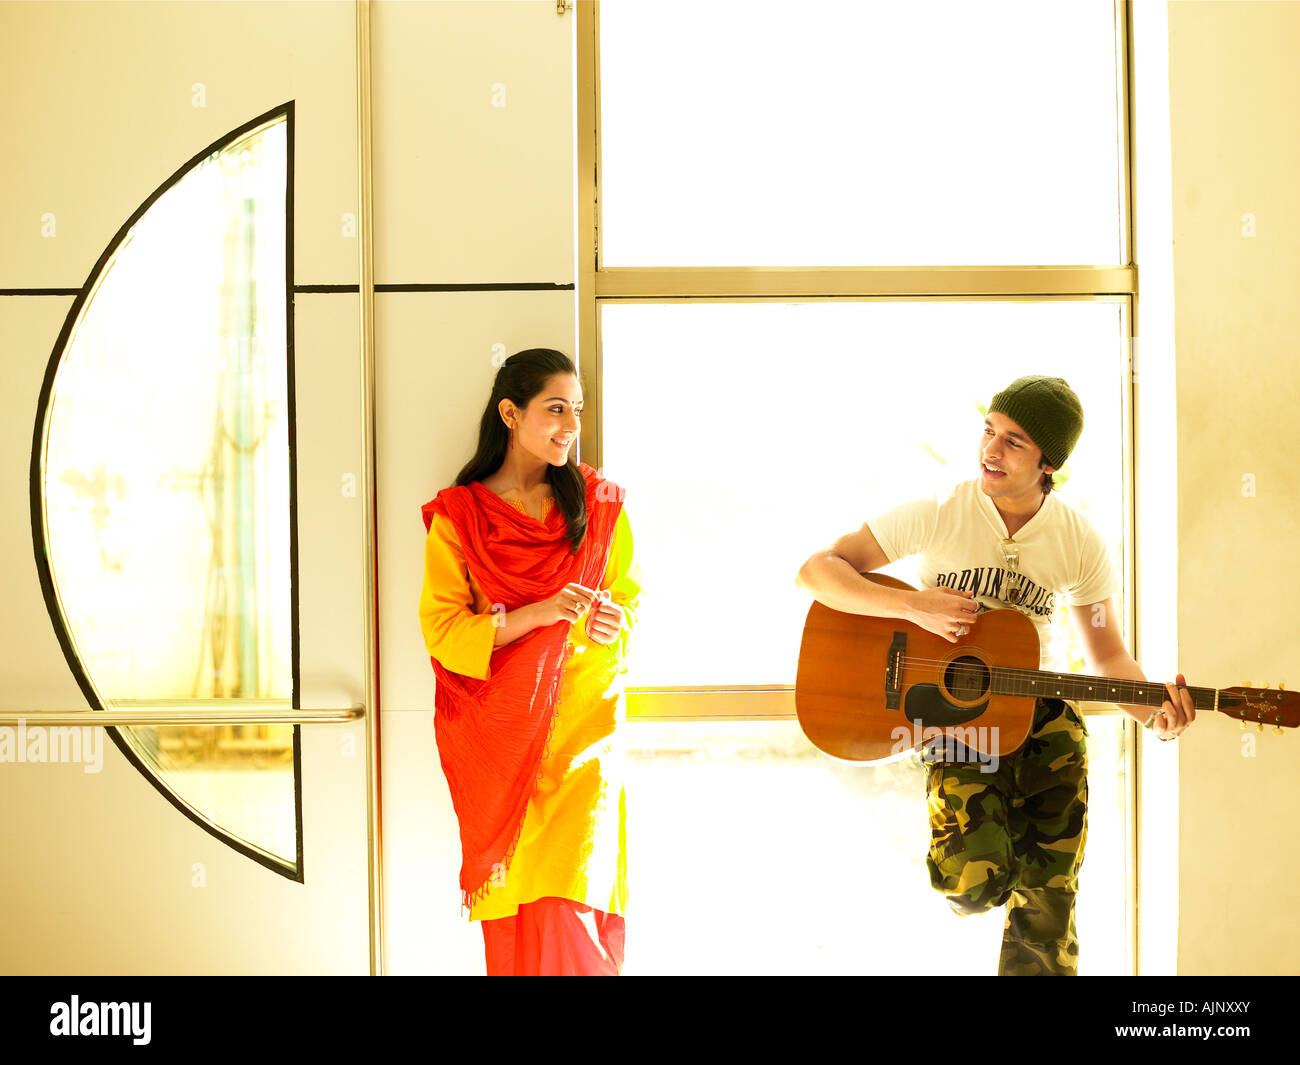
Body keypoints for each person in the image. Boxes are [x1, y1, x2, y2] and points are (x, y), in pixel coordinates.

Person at [794, 375, 1196, 976]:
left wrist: (1155, 715)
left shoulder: (1080, 541)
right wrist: (912, 605)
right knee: (972, 883)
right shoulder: (938, 511)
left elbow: (1109, 658)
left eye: (1013, 441)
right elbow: (817, 571)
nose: (991, 449)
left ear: (1048, 462)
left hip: (1043, 718)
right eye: (989, 431)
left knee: (1049, 904)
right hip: (957, 722)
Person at [418, 347, 641, 976]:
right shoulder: (462, 517)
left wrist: (613, 620)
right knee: (517, 909)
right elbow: (442, 629)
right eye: (555, 409)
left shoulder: (599, 505)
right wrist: (536, 614)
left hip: (582, 735)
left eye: (577, 408)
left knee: (574, 902)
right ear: (510, 413)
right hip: (501, 743)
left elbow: (629, 602)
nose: (571, 424)